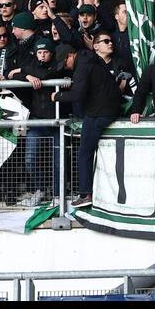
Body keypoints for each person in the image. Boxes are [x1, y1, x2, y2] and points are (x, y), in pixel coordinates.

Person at [55, 33, 124, 209]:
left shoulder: (82, 67)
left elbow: (78, 94)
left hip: (98, 113)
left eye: (65, 63)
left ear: (70, 56)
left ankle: (85, 193)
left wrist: (58, 95)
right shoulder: (92, 59)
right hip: (110, 108)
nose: (66, 67)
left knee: (85, 153)